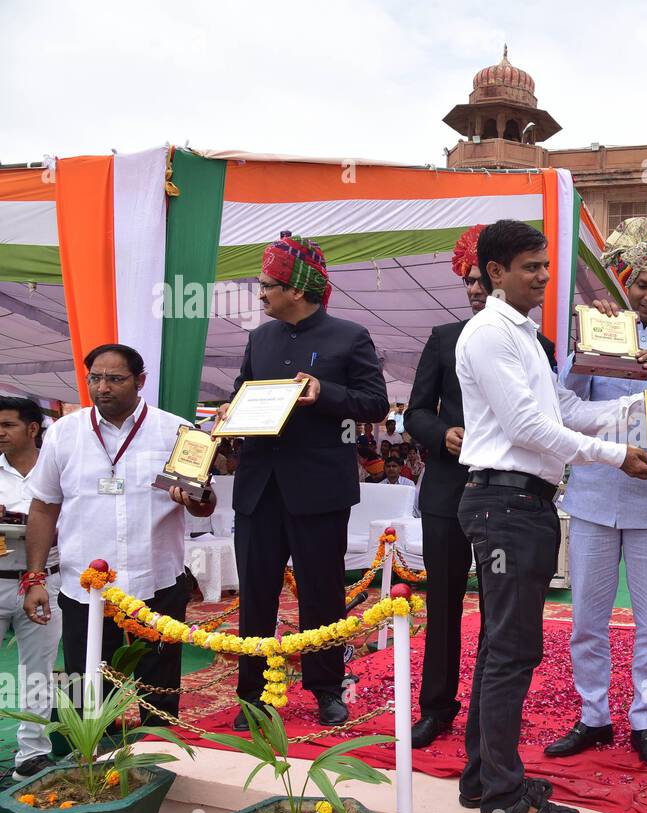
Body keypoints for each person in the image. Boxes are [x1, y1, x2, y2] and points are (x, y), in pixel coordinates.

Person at [455, 218, 647, 813]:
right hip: (505, 505)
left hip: (522, 504)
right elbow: (527, 428)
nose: (544, 277)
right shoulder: (489, 334)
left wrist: (641, 402)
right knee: (510, 652)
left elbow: (566, 408)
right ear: (496, 273)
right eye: (530, 267)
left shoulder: (525, 335)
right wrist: (616, 455)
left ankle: (480, 778)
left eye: (546, 266)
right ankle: (503, 799)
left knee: (501, 646)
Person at [544, 219, 647, 768]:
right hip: (593, 494)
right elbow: (564, 407)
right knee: (588, 620)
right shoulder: (596, 330)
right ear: (624, 283)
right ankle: (593, 716)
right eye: (640, 285)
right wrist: (580, 350)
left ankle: (646, 718)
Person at [222, 232, 389, 729]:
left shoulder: (349, 336)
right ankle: (252, 695)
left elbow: (374, 403)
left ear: (296, 289)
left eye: (267, 285)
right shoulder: (259, 339)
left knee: (322, 596)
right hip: (258, 488)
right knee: (254, 595)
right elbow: (242, 393)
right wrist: (231, 411)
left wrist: (326, 391)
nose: (260, 294)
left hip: (318, 491)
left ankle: (326, 690)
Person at [23, 345, 216, 727]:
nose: (102, 387)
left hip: (156, 582)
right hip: (85, 588)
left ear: (140, 381)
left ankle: (161, 762)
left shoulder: (178, 432)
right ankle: (91, 767)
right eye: (95, 378)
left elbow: (204, 504)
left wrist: (197, 500)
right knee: (86, 690)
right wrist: (35, 576)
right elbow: (44, 507)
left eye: (115, 378)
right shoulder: (65, 433)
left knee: (159, 690)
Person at [403, 223, 495, 747]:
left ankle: (487, 709)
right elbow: (415, 412)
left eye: (482, 280)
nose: (475, 290)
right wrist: (443, 435)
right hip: (447, 491)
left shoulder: (537, 343)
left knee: (496, 607)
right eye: (467, 283)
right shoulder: (443, 339)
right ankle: (436, 708)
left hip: (506, 494)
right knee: (443, 603)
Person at [0, 397, 62, 780]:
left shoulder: (55, 468)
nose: (0, 433)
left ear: (33, 429)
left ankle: (32, 754)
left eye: (7, 425)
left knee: (37, 672)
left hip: (44, 579)